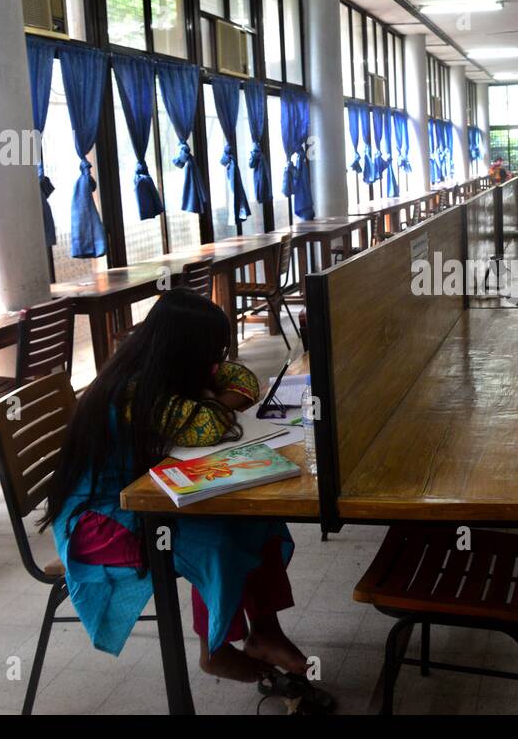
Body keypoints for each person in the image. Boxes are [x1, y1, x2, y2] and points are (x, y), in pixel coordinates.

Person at [41, 290, 327, 707]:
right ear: (185, 350)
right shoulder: (136, 392)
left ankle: (265, 631)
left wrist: (216, 396)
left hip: (144, 489)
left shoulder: (159, 367)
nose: (217, 361)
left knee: (254, 515)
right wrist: (216, 402)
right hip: (101, 518)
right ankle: (216, 649)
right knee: (216, 536)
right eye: (212, 352)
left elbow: (242, 378)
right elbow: (208, 426)